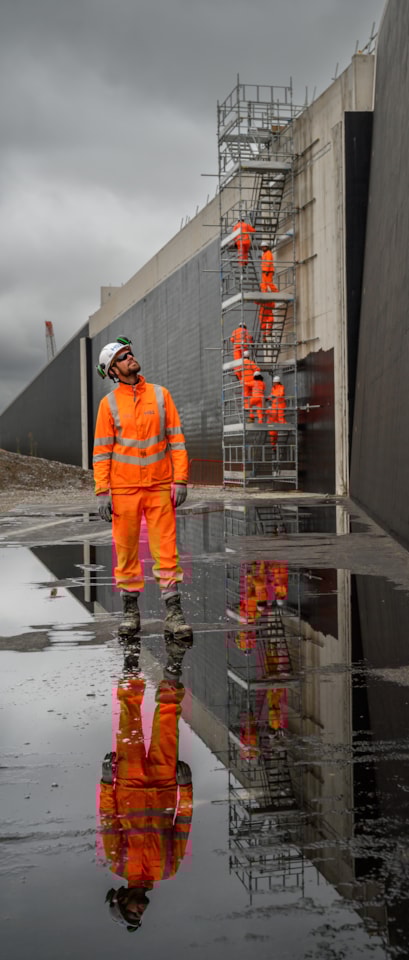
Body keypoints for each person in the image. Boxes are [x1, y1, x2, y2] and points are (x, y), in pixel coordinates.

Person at [93, 337, 192, 642]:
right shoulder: (108, 404)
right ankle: (130, 613)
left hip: (160, 487)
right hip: (123, 491)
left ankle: (174, 615)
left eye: (130, 354)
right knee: (126, 553)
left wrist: (180, 479)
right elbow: (101, 451)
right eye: (122, 358)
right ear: (113, 371)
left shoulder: (161, 396)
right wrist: (102, 491)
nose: (130, 359)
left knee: (166, 550)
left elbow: (176, 440)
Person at [100, 638, 192, 932]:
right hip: (165, 784)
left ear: (121, 900)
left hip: (127, 784)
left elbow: (108, 821)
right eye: (140, 916)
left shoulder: (117, 865)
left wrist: (106, 782)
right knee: (167, 724)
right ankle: (173, 672)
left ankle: (130, 669)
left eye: (133, 912)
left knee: (129, 720)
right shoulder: (169, 870)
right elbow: (183, 824)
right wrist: (186, 789)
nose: (141, 911)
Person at [267, 375, 286, 448]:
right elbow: (271, 395)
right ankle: (273, 447)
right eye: (273, 382)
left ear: (277, 382)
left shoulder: (281, 387)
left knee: (281, 416)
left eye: (274, 382)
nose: (273, 383)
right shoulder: (273, 388)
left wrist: (275, 395)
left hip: (280, 405)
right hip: (275, 405)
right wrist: (268, 398)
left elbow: (281, 394)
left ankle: (282, 423)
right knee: (273, 435)